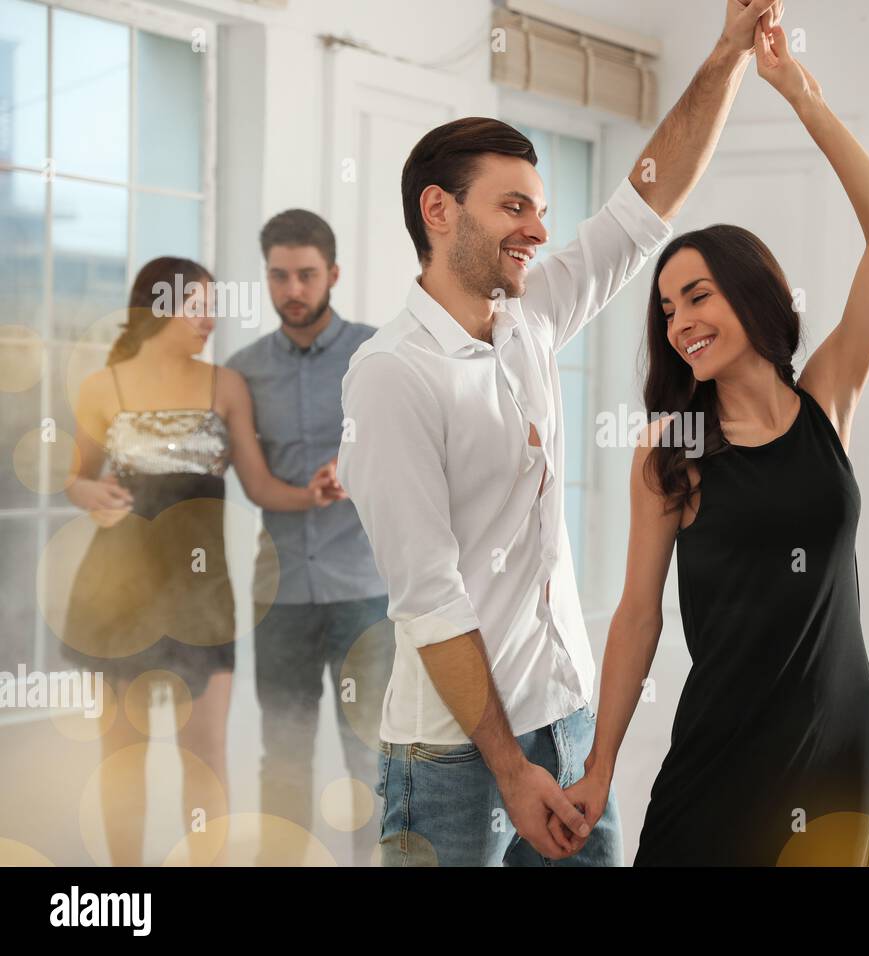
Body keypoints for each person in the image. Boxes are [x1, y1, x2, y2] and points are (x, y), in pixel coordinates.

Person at [338, 0, 789, 867]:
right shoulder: (392, 374)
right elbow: (431, 601)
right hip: (453, 760)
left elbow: (645, 200)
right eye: (514, 207)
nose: (539, 230)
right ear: (439, 210)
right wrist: (509, 771)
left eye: (541, 209)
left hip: (568, 722)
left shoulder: (531, 315)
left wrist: (729, 51)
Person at [557, 22, 869, 866]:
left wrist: (798, 94)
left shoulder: (828, 396)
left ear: (750, 293)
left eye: (696, 296)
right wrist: (600, 763)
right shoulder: (670, 452)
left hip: (837, 744)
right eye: (667, 310)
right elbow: (637, 616)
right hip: (721, 748)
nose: (679, 322)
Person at [62, 256, 341, 866]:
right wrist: (87, 492)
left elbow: (260, 485)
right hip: (118, 596)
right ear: (159, 308)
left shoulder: (226, 385)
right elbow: (74, 478)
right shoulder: (101, 387)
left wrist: (310, 494)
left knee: (206, 756)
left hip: (203, 596)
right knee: (122, 757)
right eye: (199, 306)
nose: (211, 319)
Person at [226, 210, 393, 867]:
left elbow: (419, 452)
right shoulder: (241, 372)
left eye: (306, 275)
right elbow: (249, 477)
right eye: (278, 275)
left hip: (362, 587)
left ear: (333, 275)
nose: (292, 289)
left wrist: (360, 472)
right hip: (282, 595)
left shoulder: (378, 353)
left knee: (369, 752)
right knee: (285, 753)